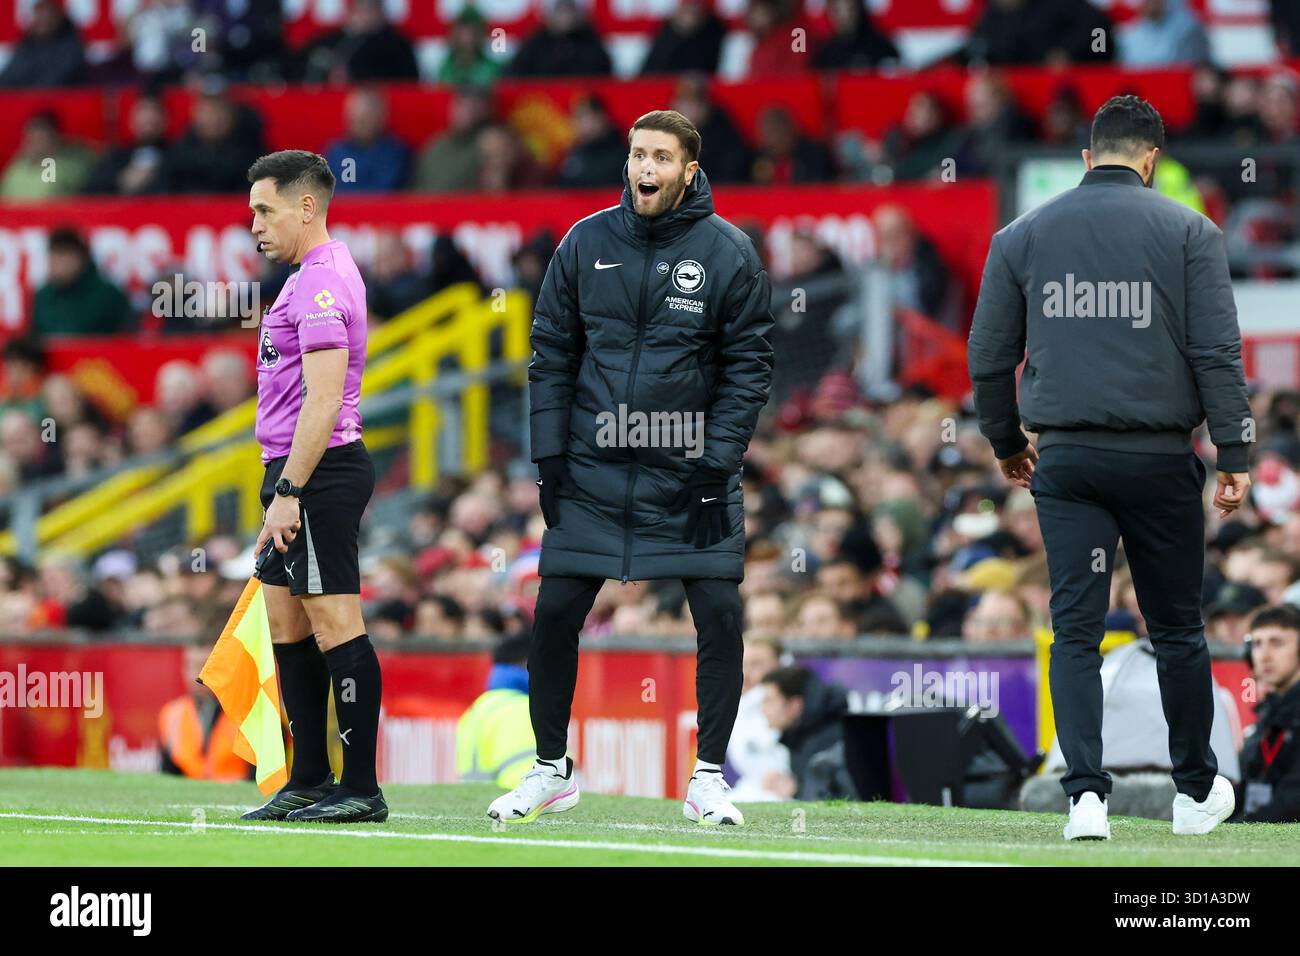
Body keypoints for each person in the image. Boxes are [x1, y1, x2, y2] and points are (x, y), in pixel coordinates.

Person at [968, 95, 1251, 841]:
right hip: (1160, 461)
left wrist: (1006, 444)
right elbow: (1218, 353)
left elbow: (988, 358)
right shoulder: (1192, 231)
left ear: (1088, 158)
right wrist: (1237, 452)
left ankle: (1085, 798)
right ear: (1152, 161)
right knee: (1179, 629)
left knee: (1075, 631)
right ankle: (1194, 792)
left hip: (1066, 458)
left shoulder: (1020, 235)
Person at [487, 109, 774, 827]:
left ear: (689, 169)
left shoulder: (728, 251)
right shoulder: (584, 243)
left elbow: (749, 368)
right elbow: (549, 351)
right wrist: (549, 456)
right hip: (592, 466)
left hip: (690, 474)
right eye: (638, 154)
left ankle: (709, 777)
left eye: (661, 158)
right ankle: (551, 769)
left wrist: (717, 466)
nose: (646, 168)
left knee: (721, 615)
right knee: (552, 614)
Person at [240, 150, 384, 823]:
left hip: (317, 473)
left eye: (265, 211)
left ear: (306, 207)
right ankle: (309, 776)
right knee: (285, 619)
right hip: (290, 473)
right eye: (251, 214)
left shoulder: (322, 283)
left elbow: (323, 402)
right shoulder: (307, 278)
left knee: (334, 621)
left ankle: (360, 789)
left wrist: (291, 491)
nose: (255, 227)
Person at [1235, 605, 1300, 822]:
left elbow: (1293, 799)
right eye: (1257, 644)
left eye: (1277, 643)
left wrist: (1239, 827)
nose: (1264, 656)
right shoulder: (1270, 710)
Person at [759, 666, 853, 800]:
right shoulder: (799, 736)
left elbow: (843, 799)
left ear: (795, 705)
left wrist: (797, 790)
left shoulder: (829, 740)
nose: (763, 710)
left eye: (769, 701)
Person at [457, 635, 536, 789]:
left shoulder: (479, 706)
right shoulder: (525, 709)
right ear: (528, 664)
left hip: (475, 803)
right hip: (513, 805)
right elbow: (533, 782)